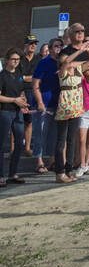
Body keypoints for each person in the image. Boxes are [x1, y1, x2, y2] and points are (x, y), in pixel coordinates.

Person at [55, 25, 89, 181]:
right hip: (66, 101)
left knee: (72, 138)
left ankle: (69, 169)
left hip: (77, 102)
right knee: (62, 139)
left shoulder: (78, 69)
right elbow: (66, 62)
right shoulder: (64, 69)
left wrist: (88, 48)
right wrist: (79, 52)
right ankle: (59, 172)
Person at [31, 37, 63, 175]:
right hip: (44, 103)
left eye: (61, 46)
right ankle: (39, 161)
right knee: (40, 134)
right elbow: (35, 84)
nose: (59, 49)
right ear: (49, 49)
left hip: (58, 105)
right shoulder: (43, 63)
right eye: (56, 46)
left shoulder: (63, 63)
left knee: (54, 135)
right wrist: (39, 102)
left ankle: (52, 160)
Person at [0, 49, 28, 187]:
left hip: (18, 112)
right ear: (6, 60)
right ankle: (0, 176)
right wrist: (14, 100)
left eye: (17, 59)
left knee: (19, 143)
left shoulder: (18, 74)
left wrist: (23, 101)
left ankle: (12, 173)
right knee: (2, 144)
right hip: (5, 111)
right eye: (13, 59)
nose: (16, 61)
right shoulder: (2, 76)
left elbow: (22, 90)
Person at [19, 36, 38, 157]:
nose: (33, 45)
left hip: (32, 91)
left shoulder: (38, 59)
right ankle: (13, 148)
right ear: (25, 45)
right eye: (31, 43)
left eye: (35, 43)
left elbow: (38, 77)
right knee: (16, 121)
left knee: (29, 121)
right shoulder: (20, 59)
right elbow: (18, 77)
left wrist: (26, 77)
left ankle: (27, 148)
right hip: (19, 92)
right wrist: (25, 78)